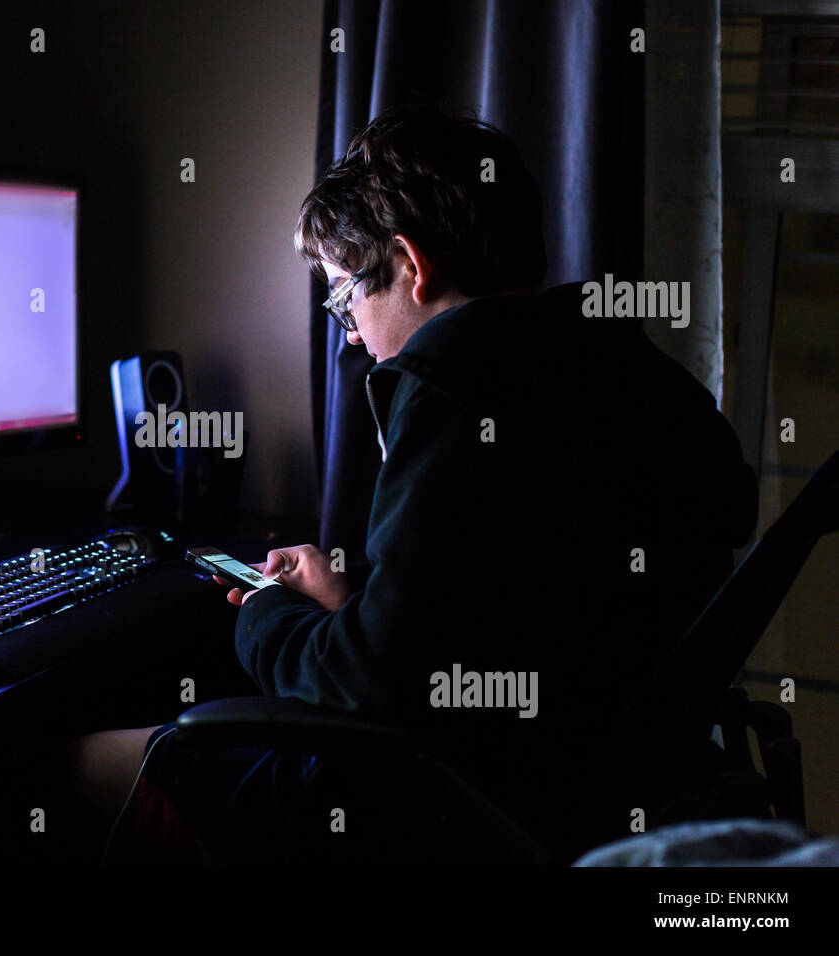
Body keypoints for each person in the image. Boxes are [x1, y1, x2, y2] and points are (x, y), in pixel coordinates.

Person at [66, 104, 758, 863]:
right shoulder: (612, 365)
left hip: (462, 802)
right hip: (600, 779)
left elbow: (371, 685)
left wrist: (264, 616)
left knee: (76, 765)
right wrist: (358, 597)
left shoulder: (455, 389)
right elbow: (520, 591)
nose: (353, 332)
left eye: (343, 297)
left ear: (410, 265)